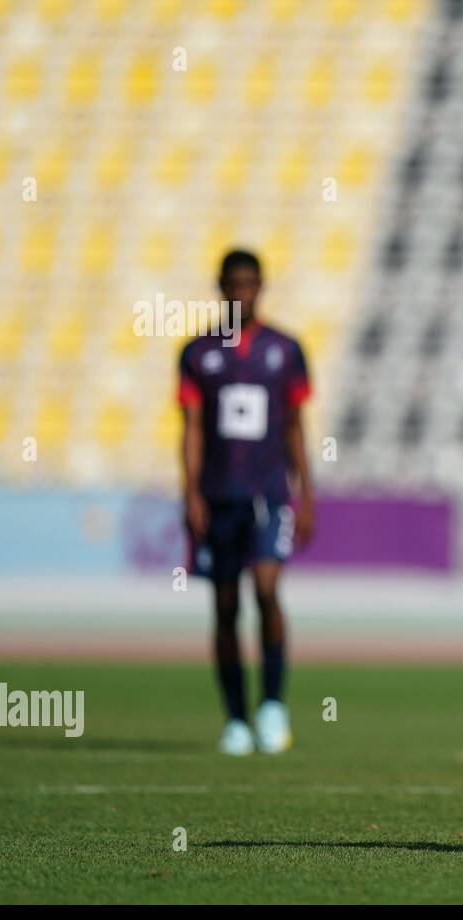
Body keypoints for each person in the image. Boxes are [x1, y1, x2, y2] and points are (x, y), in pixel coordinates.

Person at [179, 249, 314, 755]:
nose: (242, 292)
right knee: (225, 605)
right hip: (217, 495)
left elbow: (297, 427)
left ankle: (273, 705)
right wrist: (191, 492)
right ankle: (235, 717)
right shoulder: (198, 353)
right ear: (221, 287)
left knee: (265, 590)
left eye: (250, 283)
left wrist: (307, 494)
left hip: (269, 493)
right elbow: (191, 430)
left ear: (261, 287)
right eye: (233, 284)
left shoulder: (285, 350)